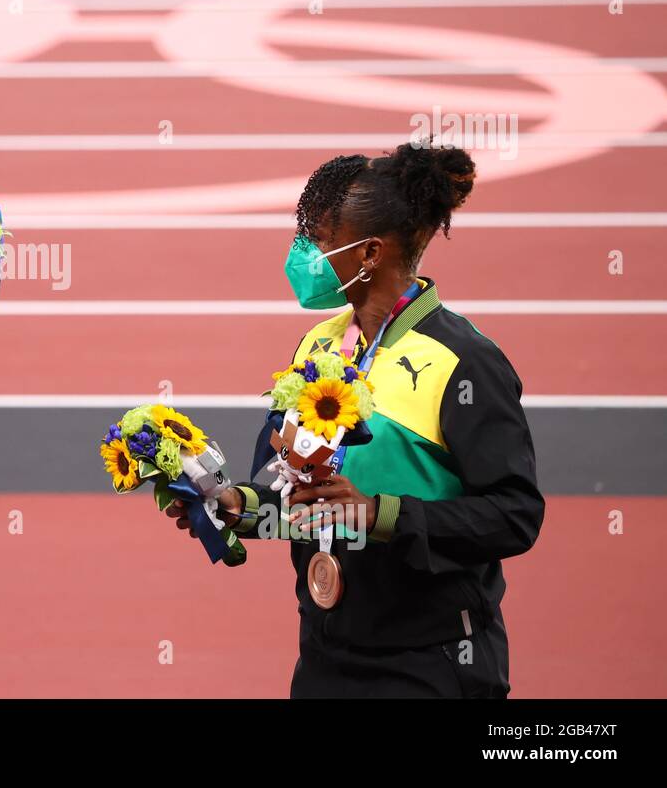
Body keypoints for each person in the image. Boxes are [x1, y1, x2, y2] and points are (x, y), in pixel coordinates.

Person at [168, 143, 545, 697]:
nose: (305, 254)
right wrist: (234, 506)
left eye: (319, 239)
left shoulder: (465, 363)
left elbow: (515, 516)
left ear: (368, 253)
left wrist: (378, 515)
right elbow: (290, 493)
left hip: (431, 661)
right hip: (326, 652)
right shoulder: (320, 344)